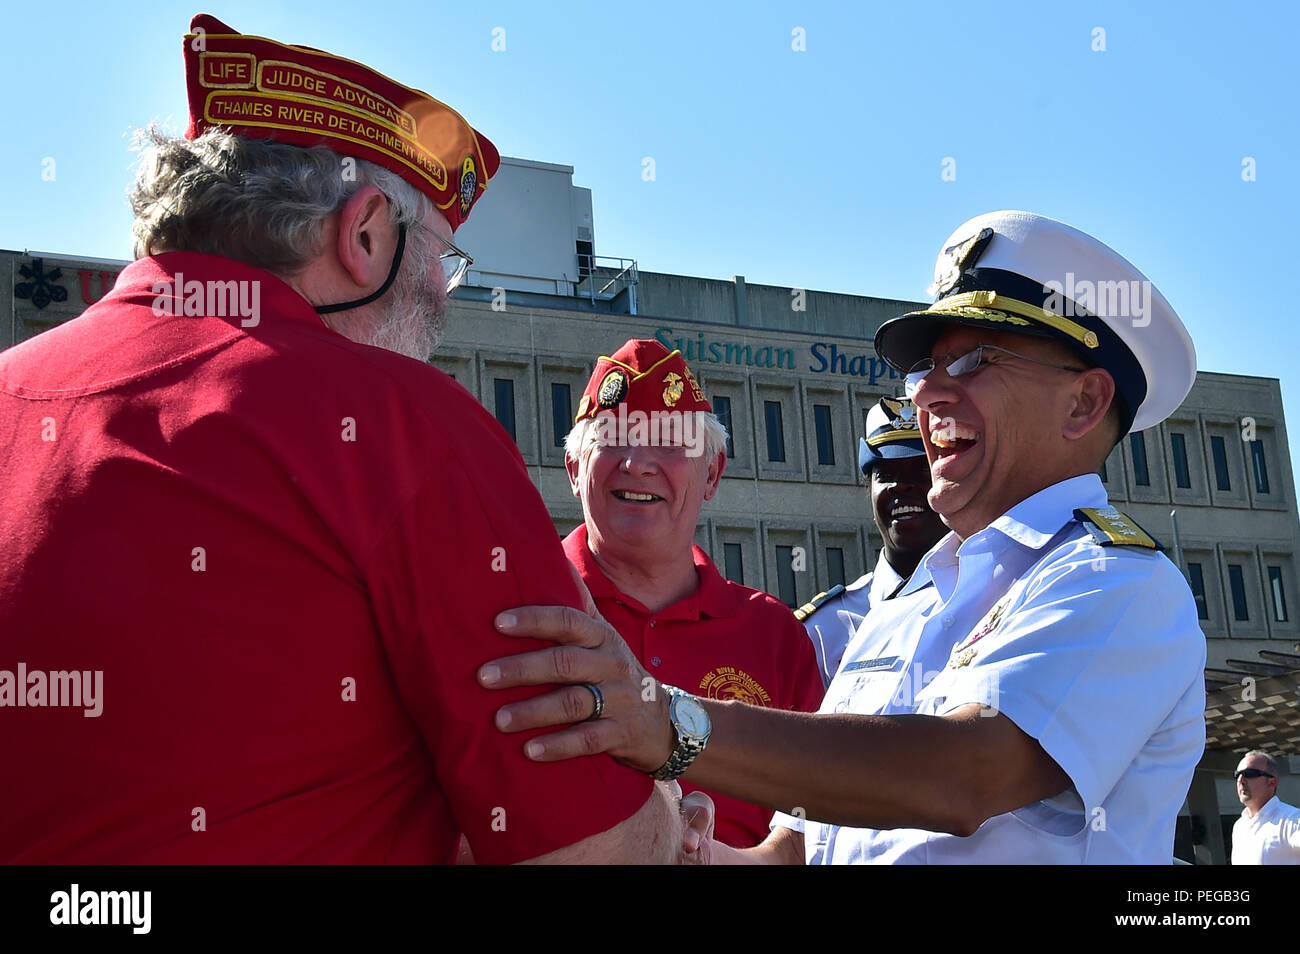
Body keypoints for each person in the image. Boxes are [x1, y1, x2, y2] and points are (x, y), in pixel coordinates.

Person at [0, 14, 684, 864]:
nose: (443, 294)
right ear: (365, 237)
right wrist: (666, 804)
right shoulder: (403, 424)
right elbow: (596, 851)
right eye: (443, 258)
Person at [477, 210, 1207, 865]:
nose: (924, 391)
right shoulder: (907, 602)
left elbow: (960, 776)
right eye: (926, 366)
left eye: (974, 360)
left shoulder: (1117, 585)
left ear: (1083, 403)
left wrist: (661, 719)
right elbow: (791, 853)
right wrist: (684, 850)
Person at [561, 338, 825, 847]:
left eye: (669, 441)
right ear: (575, 469)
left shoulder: (773, 634)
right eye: (612, 437)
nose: (637, 462)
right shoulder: (513, 610)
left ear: (712, 473)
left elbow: (817, 823)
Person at [796, 396, 947, 687]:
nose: (901, 485)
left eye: (922, 470)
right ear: (868, 491)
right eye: (886, 473)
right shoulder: (823, 629)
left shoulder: (994, 600)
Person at [1230, 751, 1300, 864]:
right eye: (1237, 774)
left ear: (1272, 783)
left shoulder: (1291, 820)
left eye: (1250, 773)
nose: (1241, 780)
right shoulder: (1239, 826)